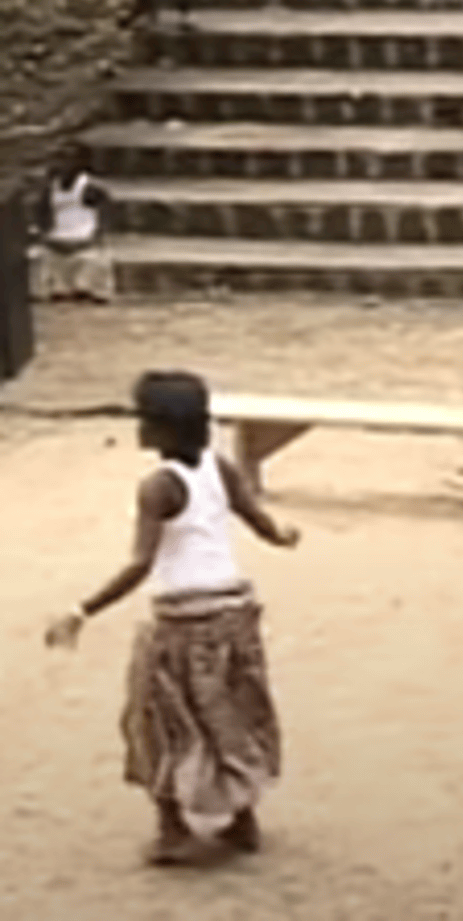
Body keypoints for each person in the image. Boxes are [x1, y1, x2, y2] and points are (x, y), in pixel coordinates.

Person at [44, 371, 300, 866]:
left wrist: (82, 611)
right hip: (234, 614)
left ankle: (173, 827)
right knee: (231, 716)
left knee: (158, 722)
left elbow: (140, 563)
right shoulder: (220, 469)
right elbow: (260, 521)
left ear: (162, 427)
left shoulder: (158, 487)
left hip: (183, 624)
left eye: (144, 418)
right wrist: (284, 536)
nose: (137, 427)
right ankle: (242, 818)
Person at [29, 146, 114, 304]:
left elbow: (105, 216)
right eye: (60, 159)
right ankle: (57, 289)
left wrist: (96, 236)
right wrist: (43, 232)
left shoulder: (92, 188)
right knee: (38, 257)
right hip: (55, 243)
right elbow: (40, 214)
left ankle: (86, 288)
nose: (63, 164)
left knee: (96, 259)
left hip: (85, 243)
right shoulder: (49, 188)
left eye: (68, 159)